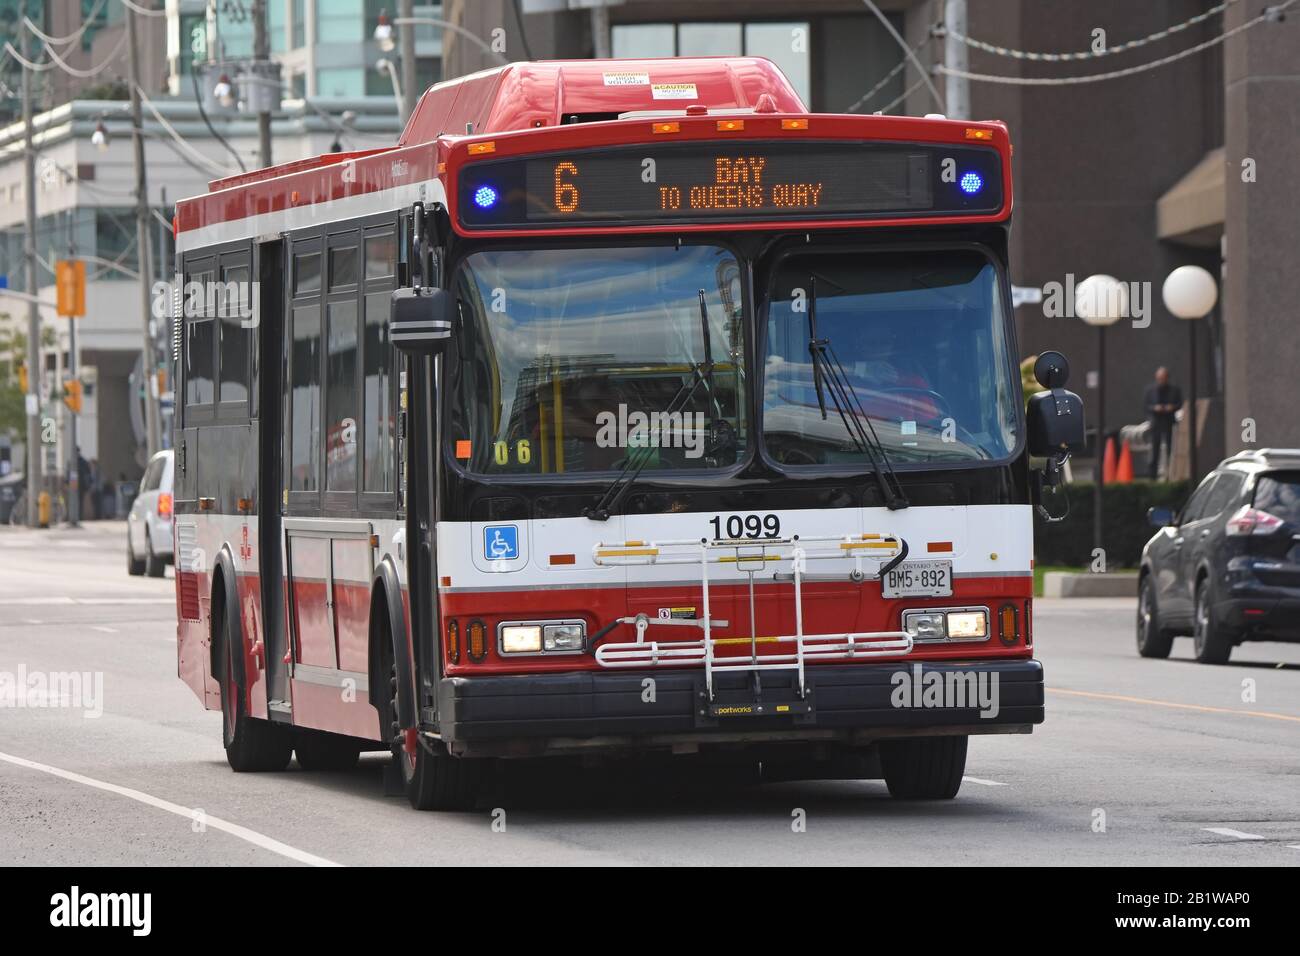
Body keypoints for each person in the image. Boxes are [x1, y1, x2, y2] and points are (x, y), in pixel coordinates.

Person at [1144, 367, 1183, 479]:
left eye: (1163, 378)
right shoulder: (1150, 390)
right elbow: (1146, 406)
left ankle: (1170, 474)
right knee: (1154, 450)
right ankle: (1153, 476)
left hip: (1169, 421)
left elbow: (1179, 403)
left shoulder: (1174, 390)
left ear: (1167, 378)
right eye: (1159, 378)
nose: (1161, 380)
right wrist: (1155, 408)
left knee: (1170, 449)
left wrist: (1172, 407)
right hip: (1156, 422)